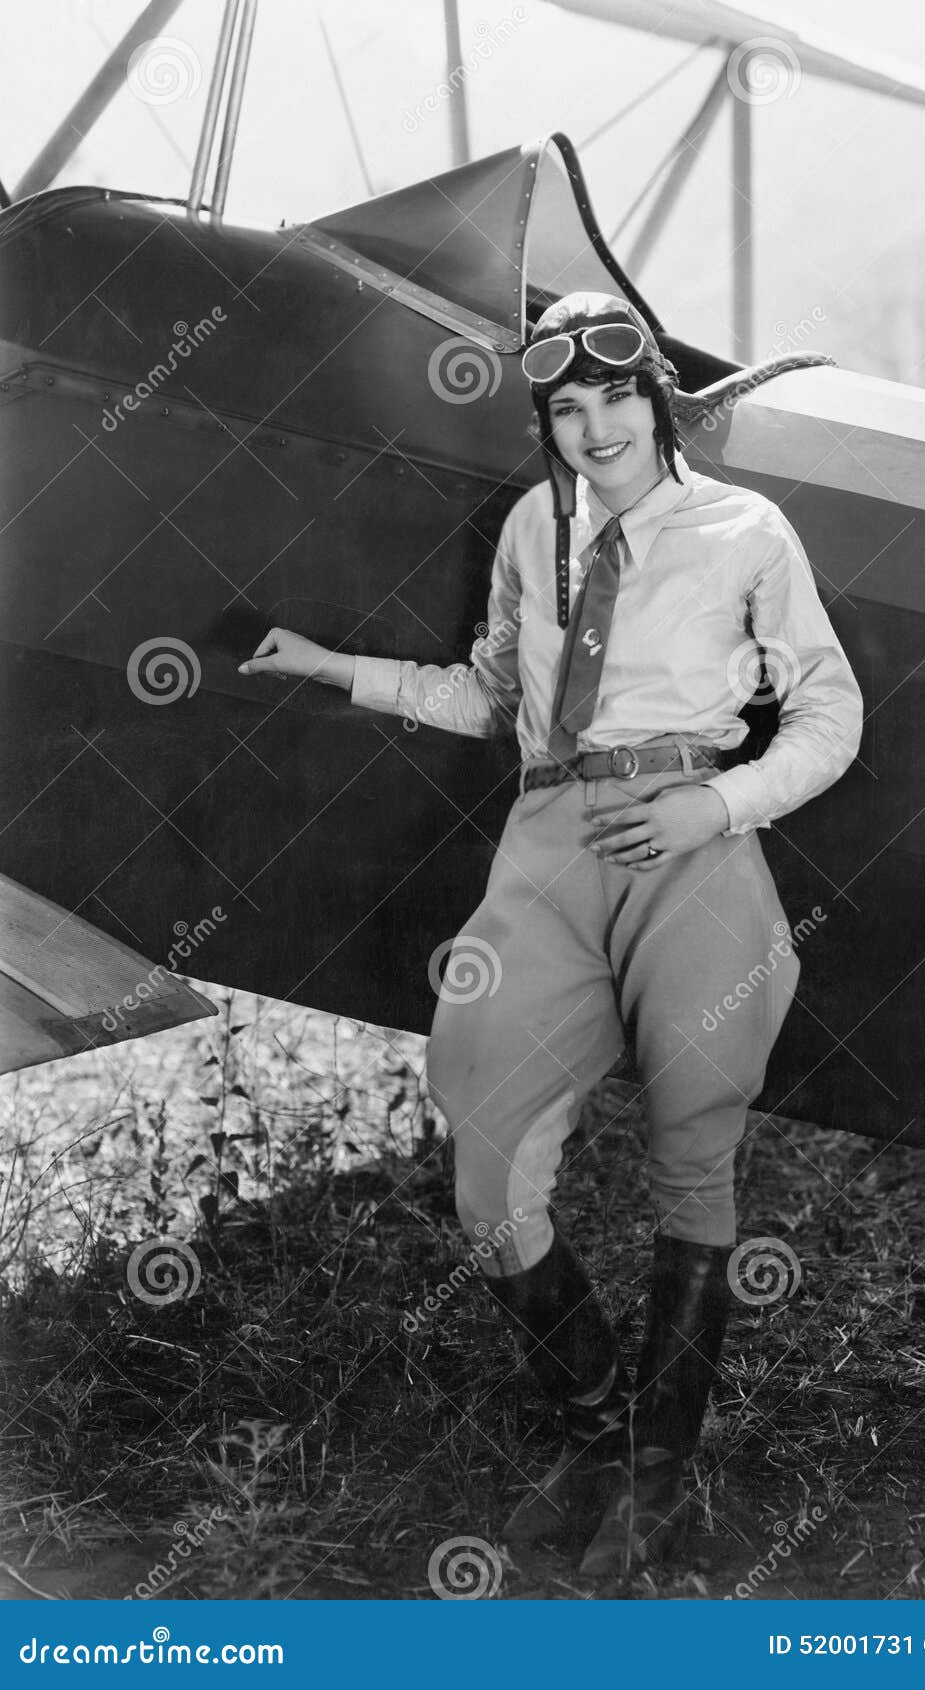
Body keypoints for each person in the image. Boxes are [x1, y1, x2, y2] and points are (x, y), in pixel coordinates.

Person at [238, 291, 863, 1577]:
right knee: (484, 1145)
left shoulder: (748, 528)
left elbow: (830, 712)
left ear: (659, 398)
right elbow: (488, 694)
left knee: (693, 1153)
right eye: (565, 411)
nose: (592, 430)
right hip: (548, 847)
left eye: (613, 401)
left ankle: (658, 1482)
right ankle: (599, 1424)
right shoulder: (535, 525)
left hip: (687, 840)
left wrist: (715, 801)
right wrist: (328, 667)